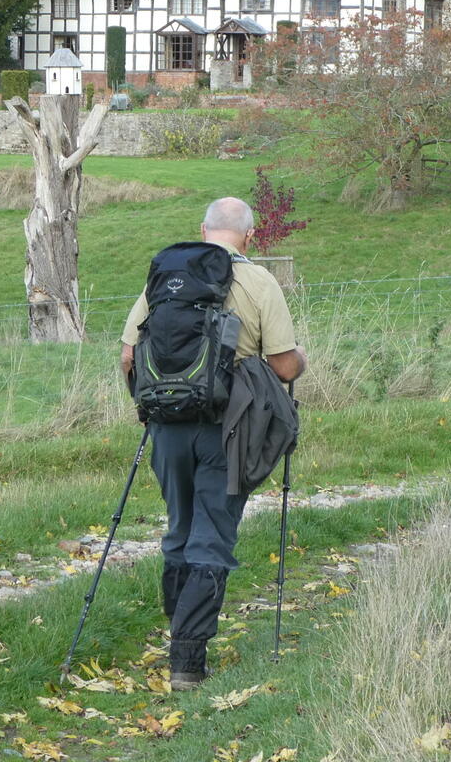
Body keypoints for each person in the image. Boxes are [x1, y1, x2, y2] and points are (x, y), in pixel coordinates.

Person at [120, 197, 305, 690]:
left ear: (202, 229)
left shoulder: (164, 279)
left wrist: (156, 405)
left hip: (167, 426)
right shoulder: (259, 281)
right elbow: (284, 367)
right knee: (212, 538)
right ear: (249, 236)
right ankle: (187, 661)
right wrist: (301, 359)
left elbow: (127, 357)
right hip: (232, 426)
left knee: (179, 528)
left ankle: (176, 630)